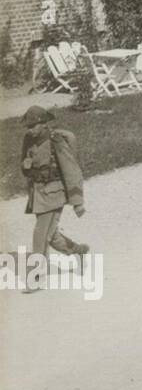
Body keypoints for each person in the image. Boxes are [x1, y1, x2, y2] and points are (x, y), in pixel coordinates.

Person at [20, 105, 89, 292]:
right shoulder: (29, 139)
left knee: (40, 234)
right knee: (51, 235)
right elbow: (25, 166)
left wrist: (77, 201)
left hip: (54, 194)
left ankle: (36, 277)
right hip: (38, 194)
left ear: (44, 124)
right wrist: (26, 167)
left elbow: (71, 169)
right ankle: (78, 250)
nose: (30, 129)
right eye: (28, 126)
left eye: (33, 126)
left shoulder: (55, 140)